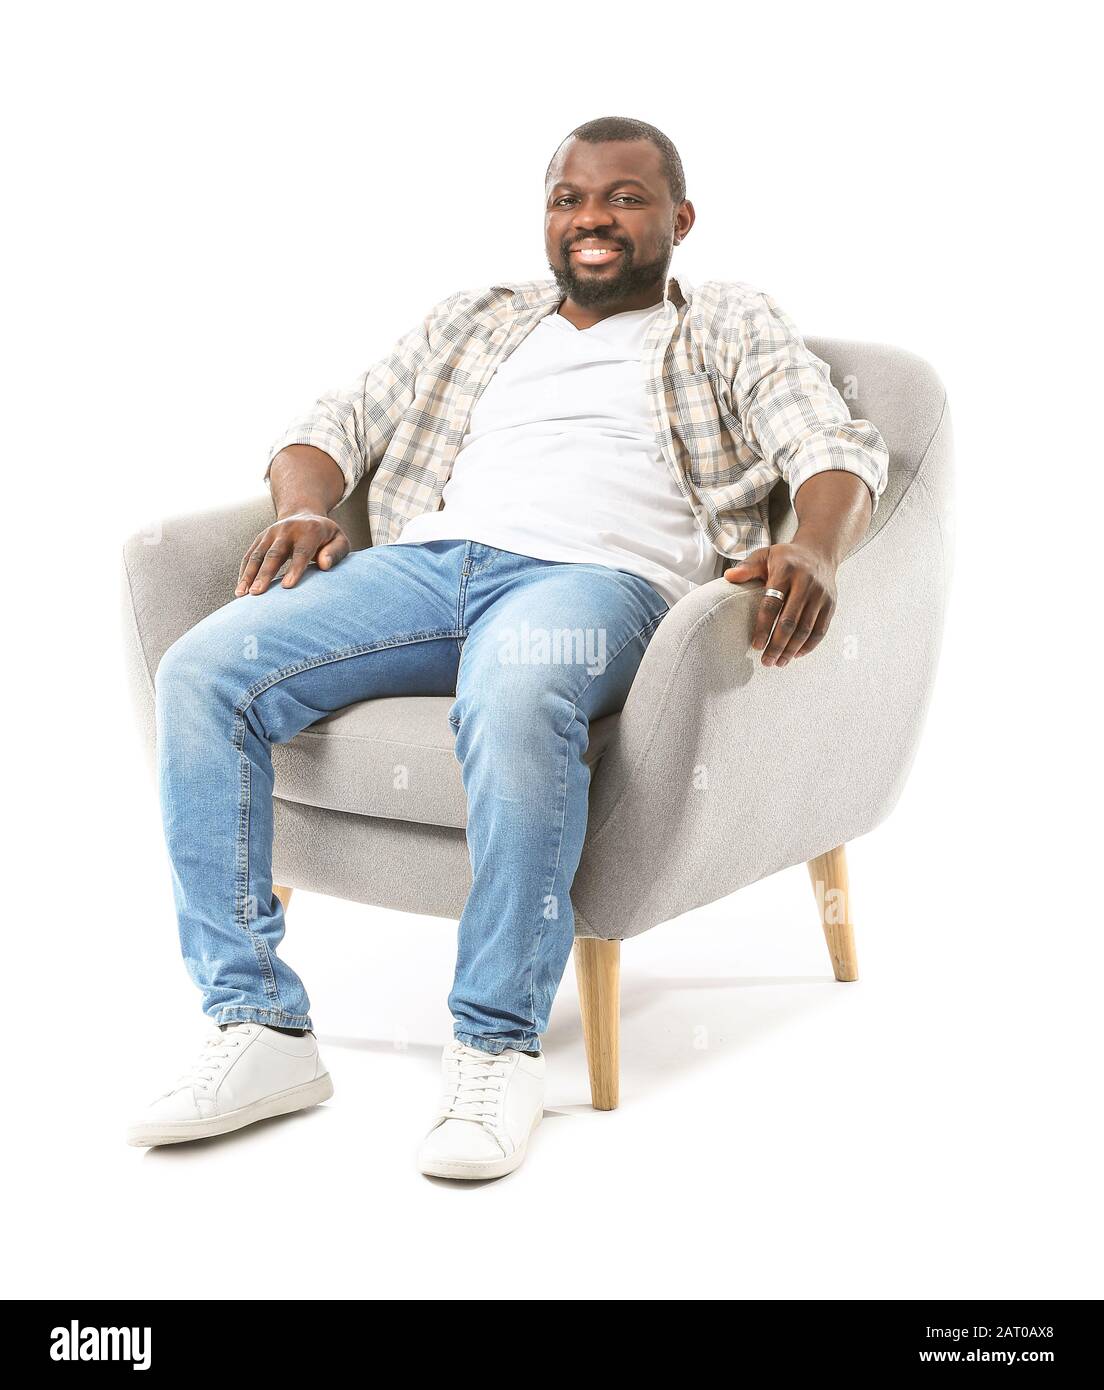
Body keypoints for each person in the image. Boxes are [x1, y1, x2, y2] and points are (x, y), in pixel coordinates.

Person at [126, 116, 889, 1179]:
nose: (591, 218)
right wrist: (305, 507)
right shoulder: (480, 322)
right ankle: (257, 1027)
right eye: (568, 197)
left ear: (679, 218)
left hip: (596, 581)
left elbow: (830, 441)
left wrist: (814, 542)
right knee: (204, 670)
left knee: (516, 687)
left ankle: (494, 1046)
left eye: (623, 197)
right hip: (429, 565)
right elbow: (332, 421)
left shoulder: (723, 320)